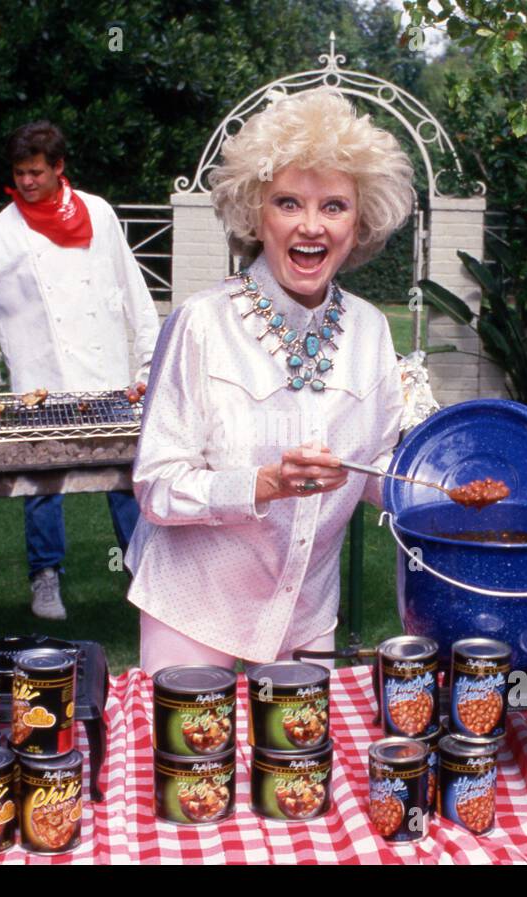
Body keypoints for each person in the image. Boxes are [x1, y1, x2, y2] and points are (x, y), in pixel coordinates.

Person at [125, 89, 414, 673]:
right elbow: (156, 487)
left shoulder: (371, 330)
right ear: (257, 214)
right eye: (288, 203)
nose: (312, 226)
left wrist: (449, 484)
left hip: (306, 613)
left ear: (360, 223)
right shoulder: (200, 324)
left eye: (334, 206)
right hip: (195, 607)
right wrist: (262, 483)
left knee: (300, 764)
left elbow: (377, 467)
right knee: (192, 763)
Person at [0, 121, 158, 620]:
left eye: (36, 172)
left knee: (128, 481)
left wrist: (149, 359)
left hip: (107, 378)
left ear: (59, 168)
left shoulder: (100, 215)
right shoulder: (1, 233)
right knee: (43, 485)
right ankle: (46, 577)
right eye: (19, 173)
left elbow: (135, 291)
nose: (26, 182)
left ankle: (145, 572)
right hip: (41, 384)